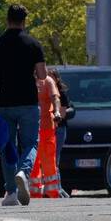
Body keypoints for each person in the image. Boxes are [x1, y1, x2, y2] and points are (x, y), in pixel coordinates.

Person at [0, 4, 47, 206]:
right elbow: (43, 75)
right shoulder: (33, 44)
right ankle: (23, 172)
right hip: (28, 101)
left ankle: (10, 192)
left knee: (7, 145)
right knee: (30, 144)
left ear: (7, 19)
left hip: (5, 103)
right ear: (24, 21)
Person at [30, 68, 67, 200]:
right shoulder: (28, 81)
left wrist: (57, 112)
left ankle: (51, 192)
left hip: (46, 128)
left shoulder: (48, 81)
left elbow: (55, 98)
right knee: (33, 161)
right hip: (32, 128)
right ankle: (34, 191)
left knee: (49, 162)